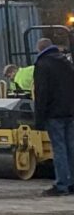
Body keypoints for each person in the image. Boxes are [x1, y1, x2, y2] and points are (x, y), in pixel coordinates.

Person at [31, 36, 74, 197]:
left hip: (54, 114)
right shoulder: (67, 63)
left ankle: (61, 184)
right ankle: (71, 183)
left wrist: (39, 119)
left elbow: (41, 93)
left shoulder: (43, 65)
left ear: (40, 49)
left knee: (59, 149)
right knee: (71, 148)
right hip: (70, 112)